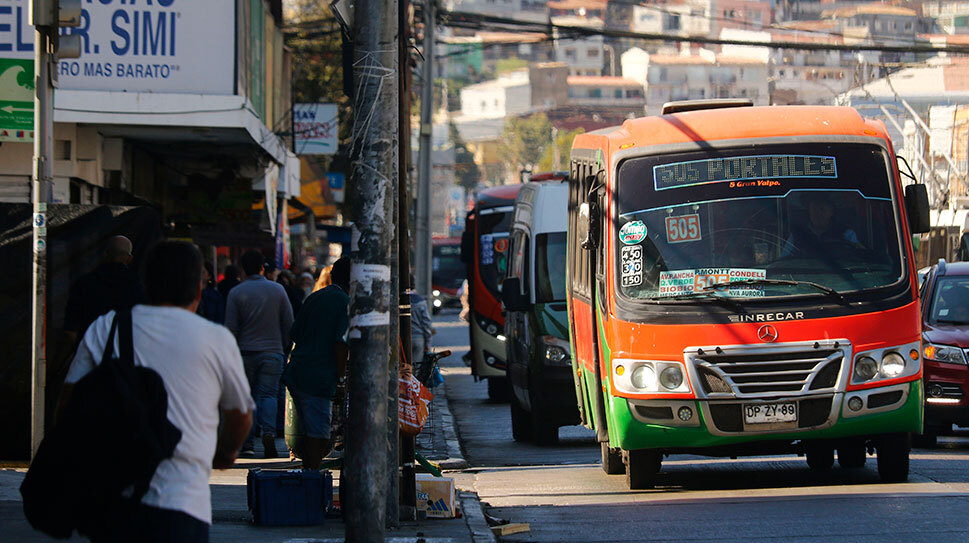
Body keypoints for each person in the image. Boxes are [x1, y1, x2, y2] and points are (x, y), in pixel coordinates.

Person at [61, 241, 254, 542]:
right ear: (199, 291)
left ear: (146, 283)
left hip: (113, 503)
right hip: (183, 506)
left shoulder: (106, 328)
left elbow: (69, 406)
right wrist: (225, 454)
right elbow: (240, 416)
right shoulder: (216, 339)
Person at [224, 250, 295, 458]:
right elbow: (288, 323)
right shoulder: (278, 290)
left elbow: (230, 328)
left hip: (245, 353)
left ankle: (246, 441)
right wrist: (283, 348)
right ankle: (269, 432)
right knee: (269, 394)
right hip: (272, 352)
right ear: (263, 268)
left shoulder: (236, 293)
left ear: (243, 269)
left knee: (247, 396)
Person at [282, 257, 350, 470]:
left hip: (298, 372)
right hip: (318, 377)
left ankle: (310, 476)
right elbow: (341, 344)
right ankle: (310, 479)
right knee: (319, 435)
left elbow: (295, 333)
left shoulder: (316, 297)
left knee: (312, 431)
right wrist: (340, 379)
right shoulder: (345, 302)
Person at [63, 235, 146, 343]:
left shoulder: (84, 284)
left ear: (105, 254)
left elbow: (70, 328)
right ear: (129, 259)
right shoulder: (138, 288)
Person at [782, 194, 861, 258]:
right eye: (814, 209)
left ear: (831, 212)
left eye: (822, 209)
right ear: (809, 212)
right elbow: (784, 260)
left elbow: (858, 257)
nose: (818, 214)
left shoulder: (847, 234)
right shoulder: (796, 235)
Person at [410, 275, 434, 367]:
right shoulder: (420, 301)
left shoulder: (395, 300)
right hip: (418, 338)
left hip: (400, 339)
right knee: (416, 368)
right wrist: (428, 343)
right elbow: (426, 324)